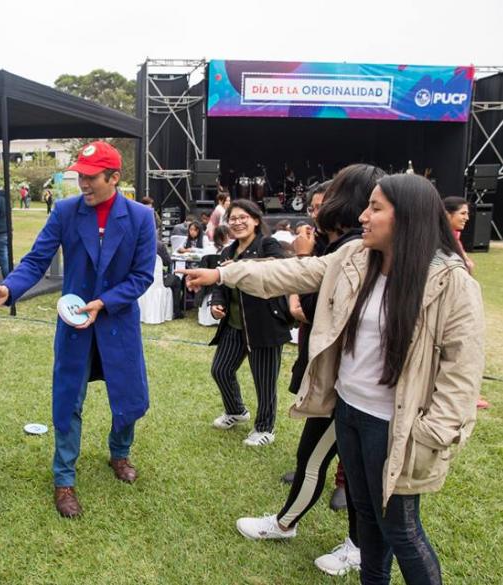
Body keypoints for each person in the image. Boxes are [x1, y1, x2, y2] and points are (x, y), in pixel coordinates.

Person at [180, 173, 485, 584]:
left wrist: (429, 434)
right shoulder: (355, 257)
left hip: (398, 428)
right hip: (349, 411)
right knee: (368, 522)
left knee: (401, 530)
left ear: (408, 217)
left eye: (376, 208)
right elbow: (289, 273)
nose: (363, 215)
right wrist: (223, 276)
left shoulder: (451, 282)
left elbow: (461, 374)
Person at [0, 141, 155, 518]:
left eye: (90, 178)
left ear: (115, 178)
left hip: (116, 324)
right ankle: (64, 480)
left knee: (128, 395)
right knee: (67, 401)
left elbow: (142, 276)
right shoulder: (66, 211)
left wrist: (105, 302)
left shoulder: (140, 217)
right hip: (74, 327)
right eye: (80, 177)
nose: (82, 185)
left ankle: (119, 454)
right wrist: (9, 288)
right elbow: (37, 259)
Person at [234, 164, 385, 577]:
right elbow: (294, 281)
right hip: (341, 381)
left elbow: (320, 308)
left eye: (376, 207)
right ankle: (310, 530)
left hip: (356, 390)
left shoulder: (360, 250)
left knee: (334, 469)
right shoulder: (345, 248)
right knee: (340, 468)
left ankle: (310, 532)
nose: (318, 205)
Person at [208, 200, 291, 446]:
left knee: (264, 380)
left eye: (243, 217)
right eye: (233, 218)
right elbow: (220, 283)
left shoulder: (267, 245)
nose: (237, 222)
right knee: (220, 370)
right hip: (234, 325)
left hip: (264, 325)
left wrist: (242, 266)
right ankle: (236, 411)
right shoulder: (227, 251)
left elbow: (279, 268)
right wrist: (216, 303)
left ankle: (265, 428)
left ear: (256, 220)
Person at [443, 196, 486, 409]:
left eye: (467, 213)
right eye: (462, 213)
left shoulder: (454, 238)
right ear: (446, 214)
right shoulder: (441, 242)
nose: (467, 218)